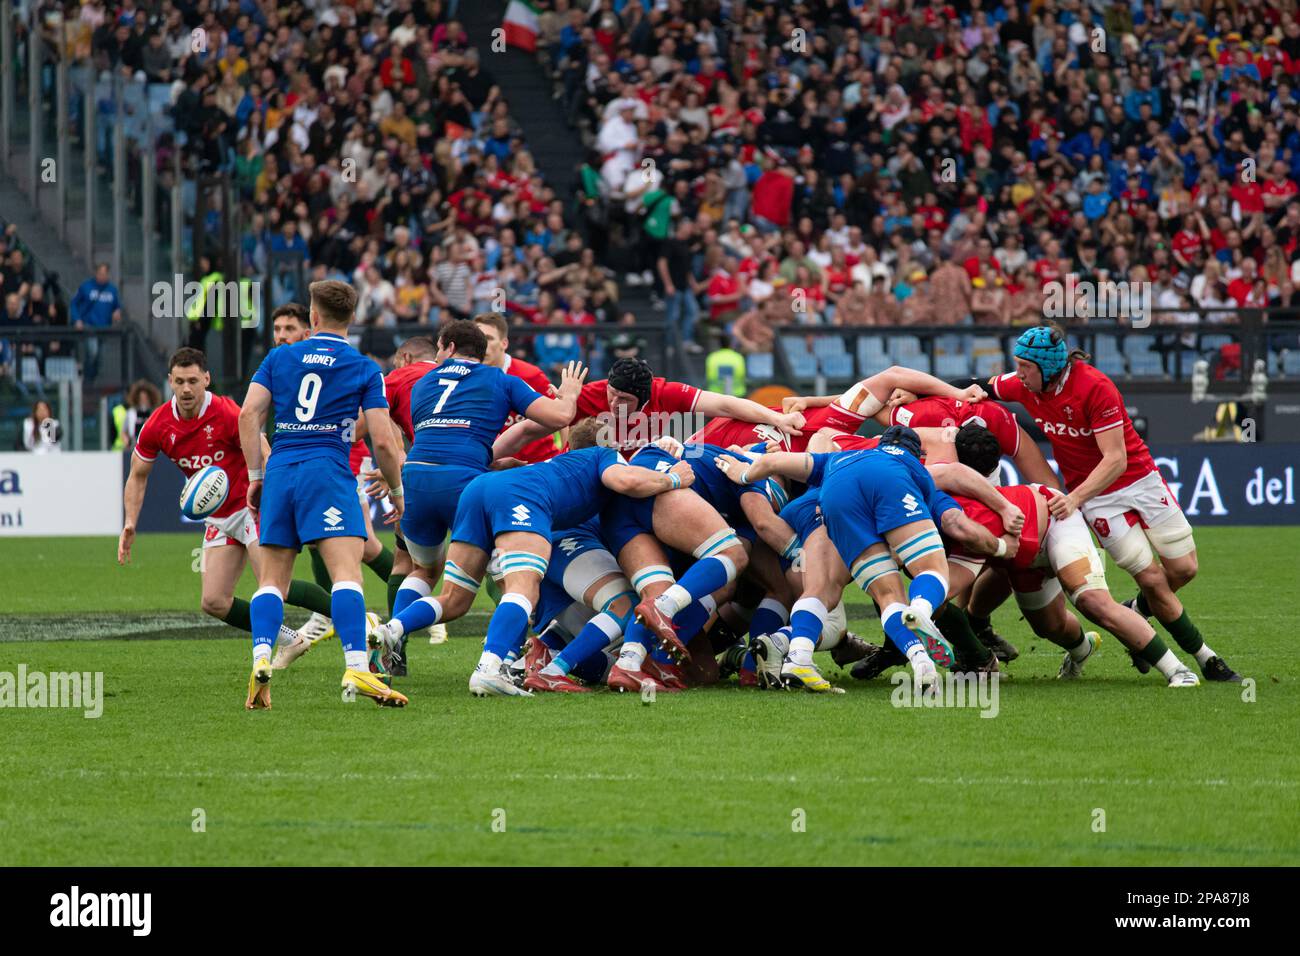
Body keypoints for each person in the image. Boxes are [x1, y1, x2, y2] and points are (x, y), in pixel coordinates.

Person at [990, 324, 1241, 683]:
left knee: (1183, 569)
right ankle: (1207, 660)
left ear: (1046, 367)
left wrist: (1073, 497)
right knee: (1153, 578)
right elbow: (976, 388)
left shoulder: (1095, 387)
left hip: (1138, 479)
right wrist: (923, 393)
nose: (1018, 373)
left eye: (1024, 366)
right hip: (1098, 499)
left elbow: (1115, 460)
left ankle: (1134, 611)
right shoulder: (1022, 384)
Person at [372, 416, 692, 697]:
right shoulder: (603, 456)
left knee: (454, 598)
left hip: (480, 489)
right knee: (529, 589)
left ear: (568, 444)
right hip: (522, 501)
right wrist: (675, 478)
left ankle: (394, 629)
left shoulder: (559, 463)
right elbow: (623, 480)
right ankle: (496, 669)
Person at [237, 280, 408, 709]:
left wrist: (256, 475)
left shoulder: (279, 357)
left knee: (272, 580)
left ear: (312, 317)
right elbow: (384, 441)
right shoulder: (364, 367)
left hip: (281, 470)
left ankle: (261, 659)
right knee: (346, 574)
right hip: (328, 471)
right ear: (351, 319)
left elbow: (247, 415)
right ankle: (357, 667)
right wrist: (398, 489)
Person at [377, 320, 582, 675]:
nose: (438, 354)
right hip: (464, 485)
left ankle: (394, 639)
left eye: (439, 348)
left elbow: (443, 436)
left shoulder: (424, 382)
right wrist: (570, 391)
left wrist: (485, 456)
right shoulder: (500, 380)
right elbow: (561, 416)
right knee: (510, 576)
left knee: (423, 568)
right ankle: (508, 658)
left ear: (450, 347)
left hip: (417, 479)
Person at [117, 348, 334, 652]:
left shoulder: (226, 412)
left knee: (276, 587)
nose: (186, 389)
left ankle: (359, 621)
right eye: (179, 381)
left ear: (207, 378)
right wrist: (130, 523)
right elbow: (138, 474)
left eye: (193, 380)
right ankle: (290, 639)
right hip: (219, 518)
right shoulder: (159, 424)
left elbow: (264, 449)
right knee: (214, 601)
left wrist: (275, 497)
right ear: (169, 381)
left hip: (252, 507)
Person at [69, 263, 121, 381]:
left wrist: (117, 313)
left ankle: (92, 378)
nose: (102, 276)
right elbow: (74, 304)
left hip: (104, 328)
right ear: (96, 273)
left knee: (100, 357)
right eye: (100, 273)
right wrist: (77, 319)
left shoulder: (112, 290)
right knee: (93, 352)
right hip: (89, 326)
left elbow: (117, 306)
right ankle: (87, 378)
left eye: (105, 274)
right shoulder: (86, 287)